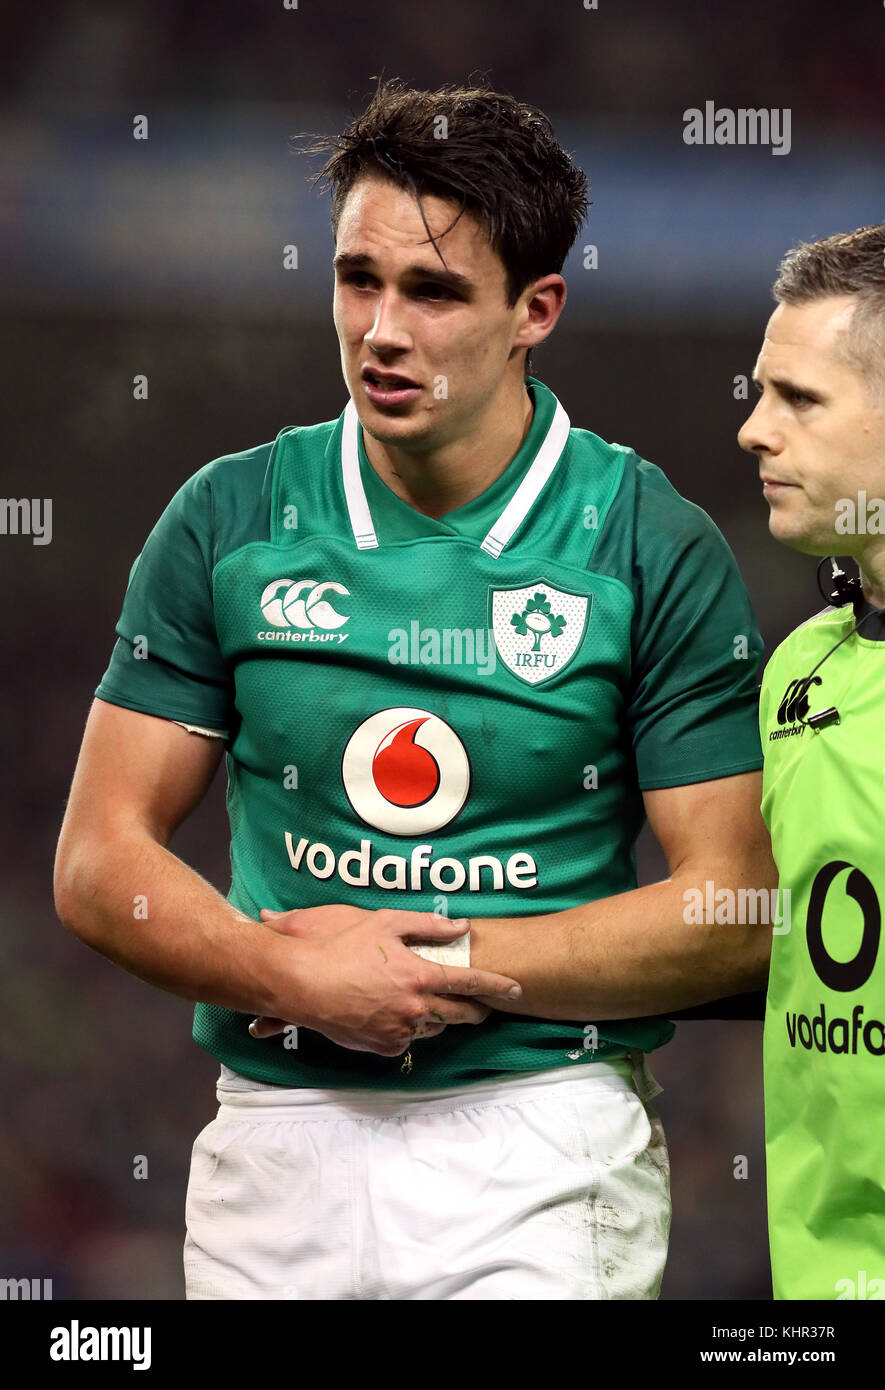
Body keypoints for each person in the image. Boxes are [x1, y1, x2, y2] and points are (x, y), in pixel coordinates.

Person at [54, 78, 775, 1301]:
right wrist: (292, 978)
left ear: (534, 309)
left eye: (434, 292)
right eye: (358, 280)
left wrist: (433, 959)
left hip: (541, 1134)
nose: (382, 330)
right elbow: (95, 860)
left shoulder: (646, 539)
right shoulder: (230, 518)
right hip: (273, 1134)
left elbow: (734, 903)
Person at [738, 224, 885, 1300]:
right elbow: (754, 936)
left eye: (800, 399)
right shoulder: (800, 666)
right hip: (822, 1276)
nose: (754, 430)